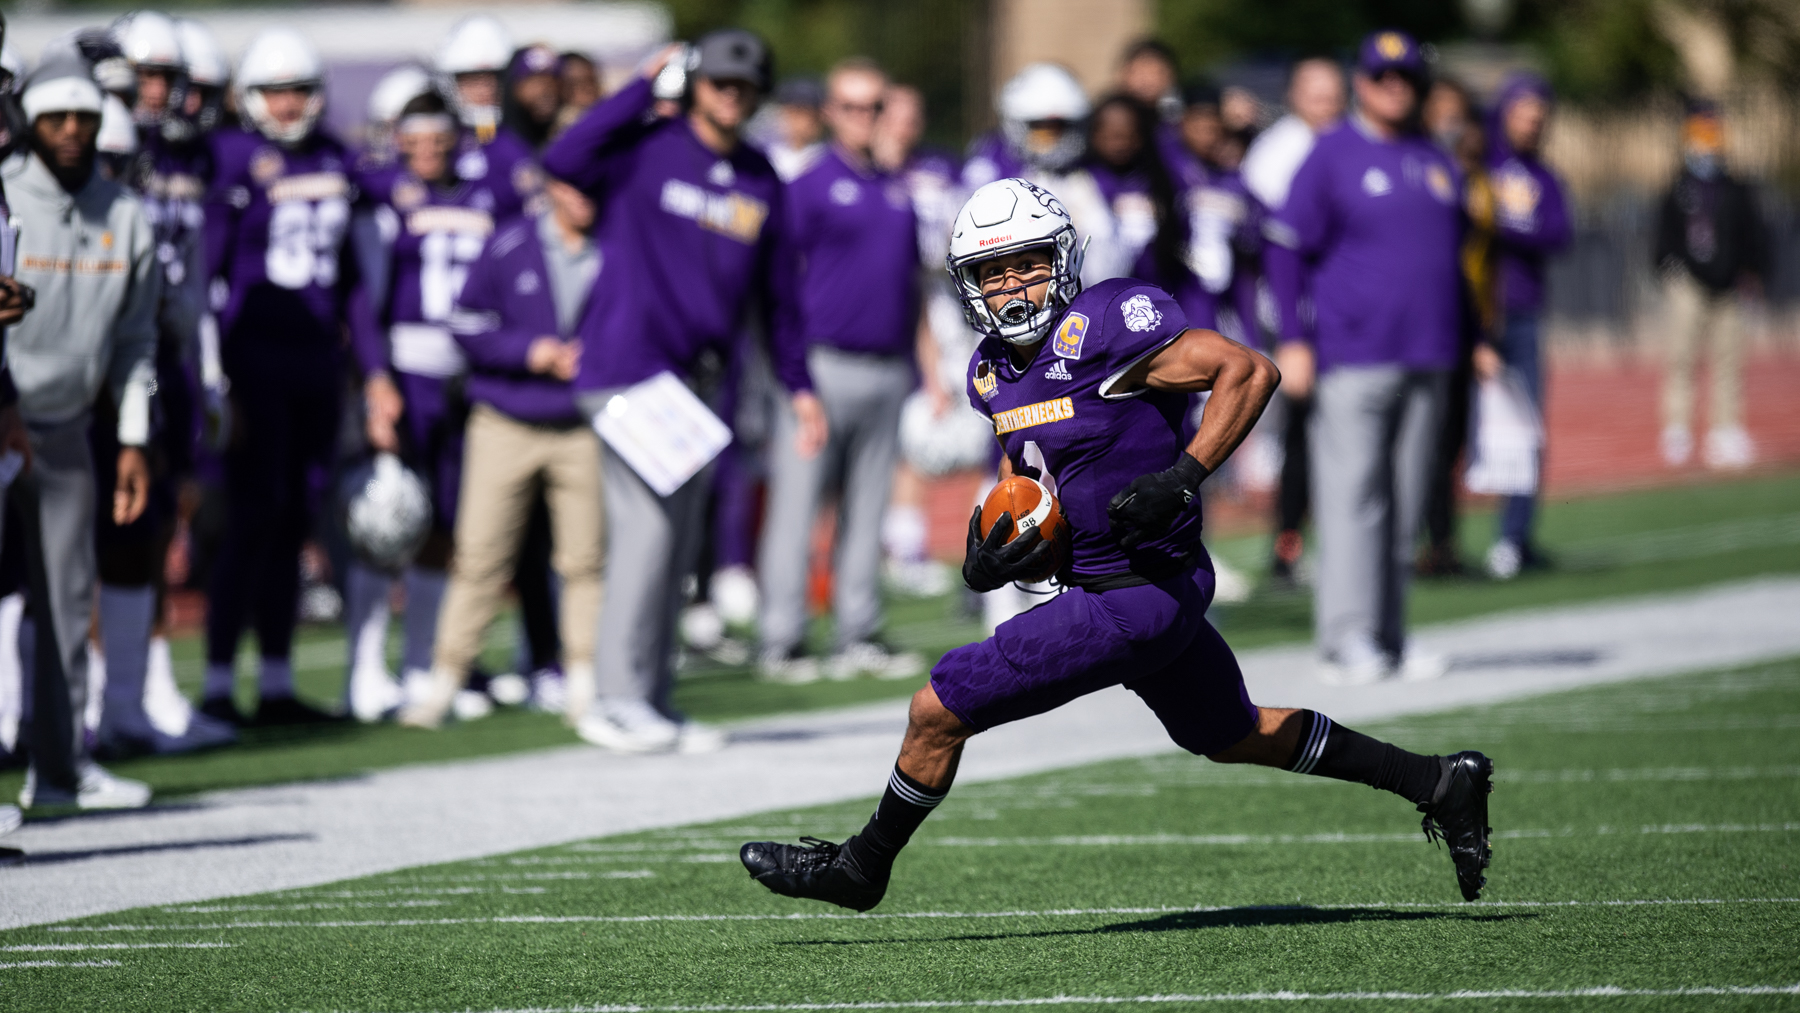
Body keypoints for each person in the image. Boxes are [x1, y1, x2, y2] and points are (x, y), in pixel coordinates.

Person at [738, 176, 1495, 912]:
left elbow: (1248, 369)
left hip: (1133, 598)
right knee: (1234, 732)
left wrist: (1185, 473)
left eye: (1026, 264)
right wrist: (1001, 549)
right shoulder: (989, 371)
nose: (1010, 285)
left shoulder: (1106, 323)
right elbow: (1033, 480)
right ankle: (1436, 780)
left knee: (937, 707)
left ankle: (863, 867)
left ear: (1062, 259)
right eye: (991, 272)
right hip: (1133, 588)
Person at [542, 32, 823, 753]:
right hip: (625, 367)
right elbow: (563, 159)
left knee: (680, 545)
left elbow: (778, 298)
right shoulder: (647, 144)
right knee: (648, 533)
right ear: (695, 85)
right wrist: (641, 85)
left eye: (745, 84)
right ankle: (612, 698)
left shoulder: (762, 175)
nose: (732, 93)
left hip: (697, 388)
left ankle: (652, 699)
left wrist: (799, 385)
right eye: (719, 81)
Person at [1266, 32, 1461, 684]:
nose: (1395, 86)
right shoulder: (1331, 154)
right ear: (1362, 81)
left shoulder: (1434, 157)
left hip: (1427, 352)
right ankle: (1346, 636)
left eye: (1406, 75)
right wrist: (1293, 337)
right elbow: (1285, 247)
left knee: (1405, 503)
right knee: (1354, 499)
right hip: (1353, 352)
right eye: (1382, 75)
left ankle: (1390, 635)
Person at [199, 28, 375, 724]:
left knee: (298, 515)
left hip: (317, 365)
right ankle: (216, 682)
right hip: (254, 360)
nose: (290, 102)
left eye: (300, 89)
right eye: (276, 90)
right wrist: (217, 378)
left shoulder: (337, 155)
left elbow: (356, 283)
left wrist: (373, 369)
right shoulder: (231, 158)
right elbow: (204, 279)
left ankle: (274, 681)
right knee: (250, 517)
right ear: (250, 96)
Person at [5, 55, 159, 807]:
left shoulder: (125, 215)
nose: (71, 131)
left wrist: (132, 436)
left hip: (65, 429)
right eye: (56, 117)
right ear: (29, 121)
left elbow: (136, 341)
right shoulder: (3, 200)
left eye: (85, 118)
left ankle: (59, 768)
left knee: (67, 598)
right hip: (0, 420)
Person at [400, 175, 602, 729]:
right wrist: (528, 350)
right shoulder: (511, 243)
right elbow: (465, 322)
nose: (589, 195)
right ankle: (445, 678)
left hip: (583, 423)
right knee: (479, 556)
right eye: (580, 185)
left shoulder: (616, 245)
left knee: (585, 560)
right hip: (505, 420)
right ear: (557, 187)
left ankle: (584, 679)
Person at [90, 10, 237, 756]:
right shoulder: (101, 149)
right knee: (94, 529)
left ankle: (141, 688)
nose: (158, 91)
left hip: (165, 353)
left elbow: (197, 275)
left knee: (152, 525)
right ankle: (87, 697)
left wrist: (209, 373)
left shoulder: (185, 158)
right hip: (103, 357)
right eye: (148, 74)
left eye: (166, 77)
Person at [755, 58, 923, 684]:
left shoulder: (898, 186)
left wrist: (919, 367)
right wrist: (794, 376)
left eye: (874, 106)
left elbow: (910, 288)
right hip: (822, 366)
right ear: (830, 113)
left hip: (884, 368)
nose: (864, 118)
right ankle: (782, 638)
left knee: (869, 511)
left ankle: (858, 629)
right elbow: (779, 287)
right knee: (796, 510)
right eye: (851, 106)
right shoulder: (808, 183)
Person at [344, 89, 505, 723]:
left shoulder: (486, 192)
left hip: (467, 372)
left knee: (445, 522)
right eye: (417, 139)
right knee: (386, 518)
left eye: (440, 138)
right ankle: (364, 670)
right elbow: (362, 297)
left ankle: (421, 666)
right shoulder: (381, 194)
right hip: (407, 371)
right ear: (399, 139)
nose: (428, 151)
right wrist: (375, 374)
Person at [877, 83, 984, 600]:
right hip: (886, 308)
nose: (906, 123)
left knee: (947, 428)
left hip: (939, 303)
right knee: (909, 435)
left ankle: (955, 543)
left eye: (913, 114)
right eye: (897, 114)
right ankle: (902, 544)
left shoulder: (940, 168)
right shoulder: (872, 172)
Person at [1242, 57, 1344, 587]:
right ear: (1296, 94)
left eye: (1334, 91)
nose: (1327, 102)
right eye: (1316, 91)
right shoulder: (1276, 152)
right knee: (1301, 438)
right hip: (1296, 318)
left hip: (1349, 317)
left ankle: (1348, 544)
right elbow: (1272, 242)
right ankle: (1289, 543)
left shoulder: (1352, 142)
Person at [1477, 73, 1570, 580]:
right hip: (1477, 318)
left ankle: (1514, 538)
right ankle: (1437, 542)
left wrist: (1509, 225)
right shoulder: (1481, 165)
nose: (1532, 126)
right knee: (1462, 433)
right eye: (1524, 115)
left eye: (1540, 118)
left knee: (1527, 430)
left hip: (1526, 314)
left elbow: (1560, 232)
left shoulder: (1545, 177)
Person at [1653, 99, 1766, 471]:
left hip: (1729, 284)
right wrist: (1670, 269)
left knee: (1729, 360)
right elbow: (1663, 237)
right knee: (1682, 357)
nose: (1708, 141)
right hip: (1689, 284)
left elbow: (1754, 233)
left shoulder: (1736, 186)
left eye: (1713, 133)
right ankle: (1678, 430)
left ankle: (1725, 431)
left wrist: (1753, 270)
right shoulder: (1678, 186)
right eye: (1701, 133)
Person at [1416, 77, 1490, 578]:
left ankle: (1444, 541)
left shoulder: (1471, 178)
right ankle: (1423, 541)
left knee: (1452, 442)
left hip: (1461, 320)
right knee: (1423, 443)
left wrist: (1482, 334)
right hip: (1417, 330)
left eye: (1456, 112)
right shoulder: (1419, 168)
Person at [435, 16, 544, 220]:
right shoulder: (438, 142)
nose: (486, 89)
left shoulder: (527, 138)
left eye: (495, 77)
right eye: (472, 79)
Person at [762, 76, 825, 182]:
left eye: (807, 113)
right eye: (792, 112)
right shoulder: (766, 154)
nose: (798, 121)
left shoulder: (827, 156)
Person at [504, 44, 562, 152]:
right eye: (535, 81)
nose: (547, 91)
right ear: (514, 87)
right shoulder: (495, 144)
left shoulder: (562, 135)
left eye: (553, 80)